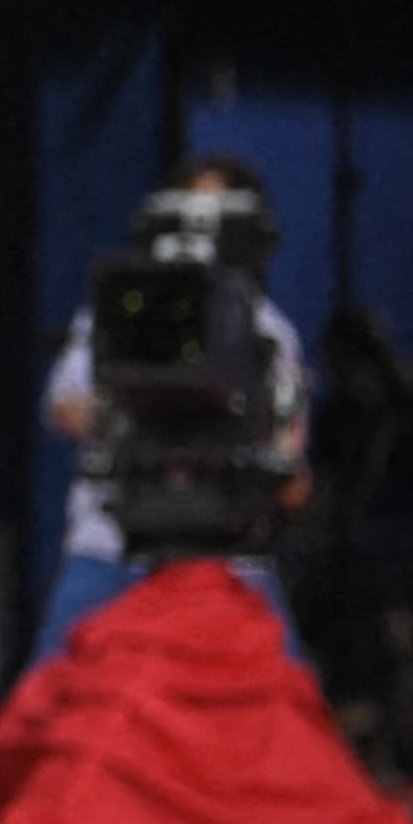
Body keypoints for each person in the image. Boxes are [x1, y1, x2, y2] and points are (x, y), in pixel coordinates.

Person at [33, 154, 311, 665]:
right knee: (52, 687)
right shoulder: (116, 311)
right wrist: (133, 414)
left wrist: (227, 425)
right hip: (113, 542)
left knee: (284, 690)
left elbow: (289, 460)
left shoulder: (268, 330)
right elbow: (62, 405)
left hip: (228, 549)